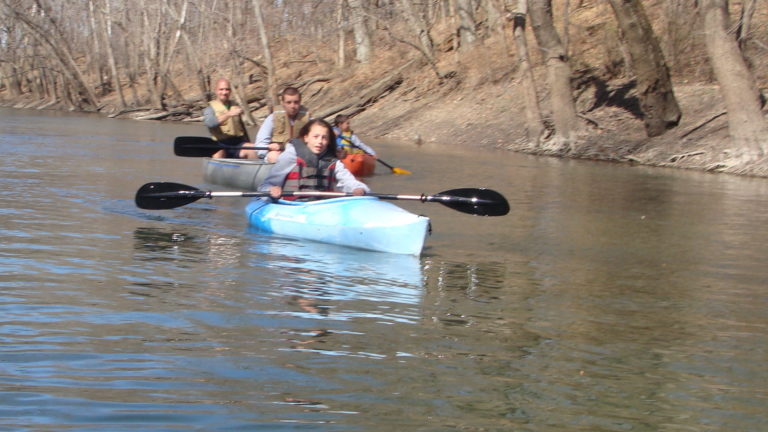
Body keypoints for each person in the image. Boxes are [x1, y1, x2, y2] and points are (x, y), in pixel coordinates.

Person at [259, 119, 369, 200]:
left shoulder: (333, 160)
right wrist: (271, 189)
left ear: (328, 141)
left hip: (322, 207)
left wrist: (358, 189)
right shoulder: (291, 155)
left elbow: (348, 181)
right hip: (293, 206)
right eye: (315, 137)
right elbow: (266, 185)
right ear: (306, 137)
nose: (320, 141)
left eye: (324, 138)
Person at [202, 78, 258, 159]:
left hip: (237, 143)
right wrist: (229, 114)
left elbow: (242, 128)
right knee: (218, 154)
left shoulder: (235, 106)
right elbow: (210, 123)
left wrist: (248, 141)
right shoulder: (210, 108)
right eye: (221, 89)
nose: (224, 92)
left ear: (230, 91)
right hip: (219, 144)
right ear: (216, 91)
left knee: (255, 150)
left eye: (227, 89)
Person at [255, 87, 311, 163]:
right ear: (283, 103)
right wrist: (268, 149)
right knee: (273, 156)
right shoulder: (272, 118)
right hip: (279, 155)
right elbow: (260, 144)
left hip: (300, 155)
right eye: (289, 102)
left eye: (296, 102)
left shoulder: (309, 120)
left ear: (300, 102)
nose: (292, 106)